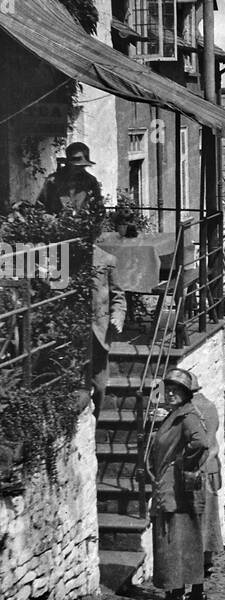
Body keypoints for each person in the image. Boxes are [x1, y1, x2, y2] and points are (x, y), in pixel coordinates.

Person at [147, 367, 209, 600]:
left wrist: (184, 462)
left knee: (173, 536)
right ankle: (192, 588)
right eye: (169, 389)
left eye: (177, 390)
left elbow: (200, 442)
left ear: (186, 394)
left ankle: (177, 587)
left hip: (174, 485)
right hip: (175, 485)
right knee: (185, 536)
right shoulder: (176, 414)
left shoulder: (187, 416)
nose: (171, 394)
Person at [188, 373, 223, 577]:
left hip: (198, 468)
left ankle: (197, 559)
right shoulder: (209, 405)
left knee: (195, 514)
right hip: (211, 467)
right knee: (209, 514)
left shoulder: (191, 410)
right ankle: (207, 559)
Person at [90, 244, 127, 418]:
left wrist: (117, 316)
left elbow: (118, 296)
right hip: (73, 331)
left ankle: (95, 420)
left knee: (99, 385)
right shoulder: (67, 256)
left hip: (98, 331)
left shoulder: (107, 259)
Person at [36, 142, 105, 225]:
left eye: (82, 165)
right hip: (56, 231)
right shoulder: (53, 180)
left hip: (84, 230)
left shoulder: (91, 182)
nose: (78, 168)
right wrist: (47, 218)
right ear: (68, 162)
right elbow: (40, 207)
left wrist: (91, 222)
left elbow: (99, 210)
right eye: (75, 163)